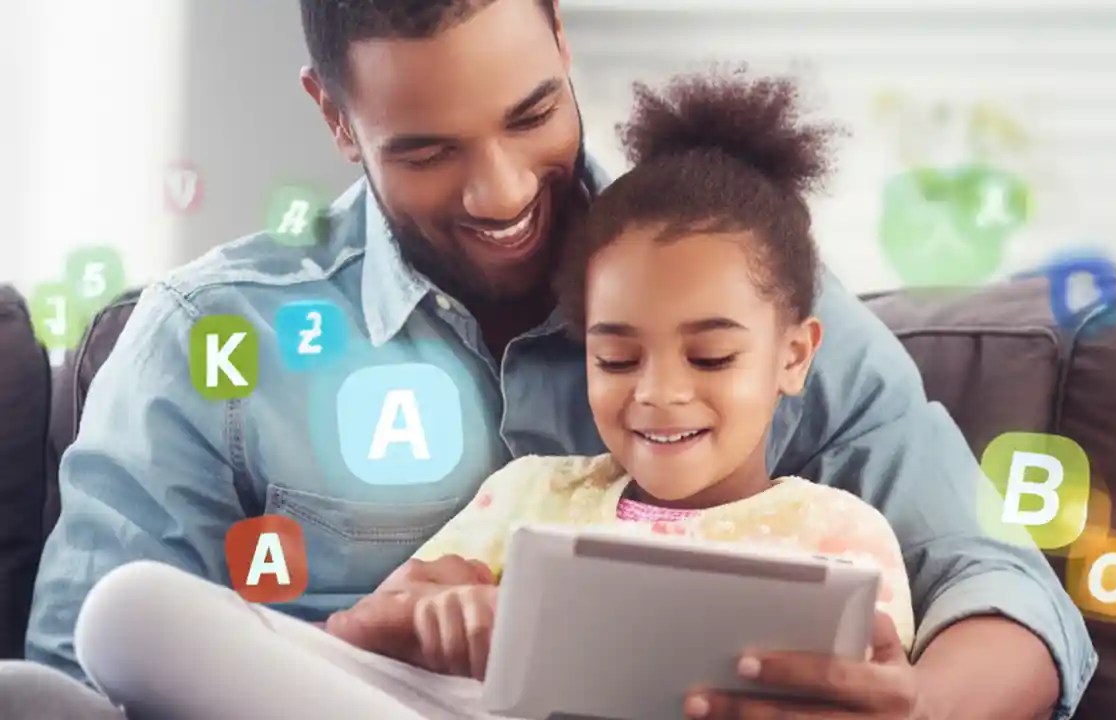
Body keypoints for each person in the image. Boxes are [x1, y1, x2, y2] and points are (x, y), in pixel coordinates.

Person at [10, 1, 1096, 718]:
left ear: (562, 39)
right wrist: (418, 611)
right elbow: (83, 677)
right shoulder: (210, 335)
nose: (501, 192)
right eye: (426, 149)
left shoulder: (750, 289)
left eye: (532, 114)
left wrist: (913, 711)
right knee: (114, 628)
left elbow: (997, 578)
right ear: (335, 118)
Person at [70, 77, 917, 717]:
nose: (659, 395)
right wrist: (431, 615)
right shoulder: (534, 494)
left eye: (710, 355)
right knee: (128, 611)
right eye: (616, 360)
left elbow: (879, 693)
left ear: (795, 354)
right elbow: (356, 646)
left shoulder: (839, 538)